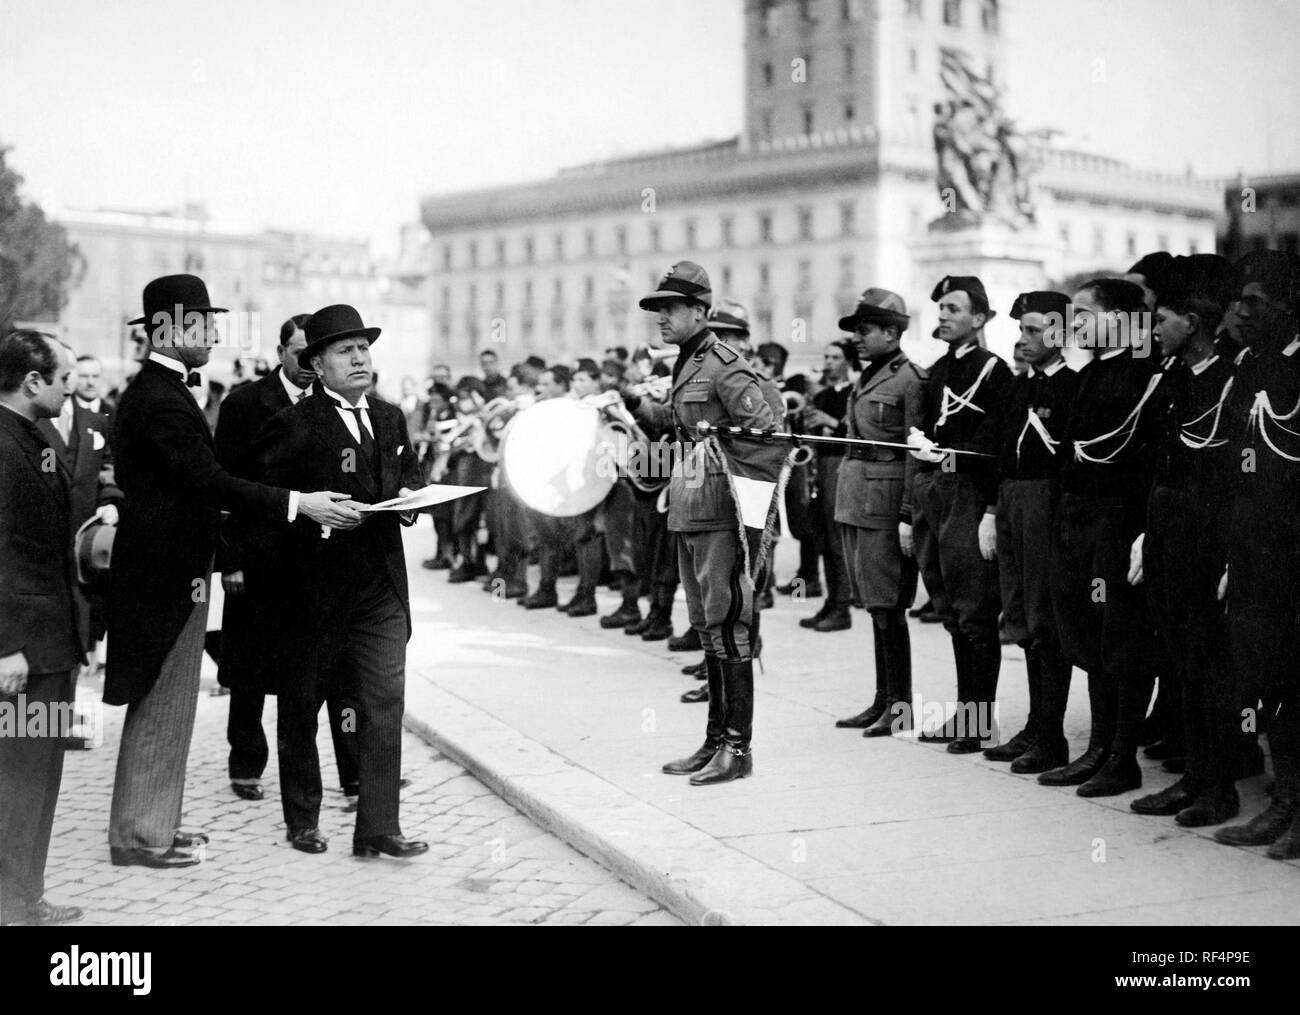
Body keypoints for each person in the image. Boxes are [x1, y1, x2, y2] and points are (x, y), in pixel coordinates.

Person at [105, 275, 358, 869]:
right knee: (161, 701)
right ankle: (140, 836)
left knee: (171, 703)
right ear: (173, 328)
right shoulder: (159, 398)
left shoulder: (164, 390)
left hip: (173, 570)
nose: (216, 333)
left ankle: (154, 821)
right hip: (163, 575)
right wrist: (298, 502)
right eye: (206, 322)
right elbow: (209, 482)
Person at [255, 304, 428, 859]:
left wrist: (408, 504)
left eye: (364, 349)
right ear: (317, 366)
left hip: (380, 587)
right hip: (314, 588)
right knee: (303, 704)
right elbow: (264, 506)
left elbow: (410, 478)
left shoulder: (391, 417)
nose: (359, 359)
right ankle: (302, 818)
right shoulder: (293, 425)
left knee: (384, 701)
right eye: (345, 351)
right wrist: (309, 512)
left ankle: (379, 826)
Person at [627, 263, 785, 785]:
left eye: (669, 309)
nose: (660, 319)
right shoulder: (687, 364)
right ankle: (715, 739)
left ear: (700, 310)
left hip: (721, 511)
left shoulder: (724, 364)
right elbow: (677, 431)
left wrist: (725, 460)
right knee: (704, 624)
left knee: (728, 620)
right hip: (689, 508)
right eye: (656, 311)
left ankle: (738, 749)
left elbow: (768, 436)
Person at [213, 313, 360, 804]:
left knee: (334, 669)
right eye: (298, 354)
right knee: (250, 665)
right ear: (281, 353)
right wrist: (229, 560)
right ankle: (247, 764)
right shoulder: (244, 405)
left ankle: (353, 772)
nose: (306, 365)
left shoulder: (331, 405)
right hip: (258, 557)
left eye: (312, 355)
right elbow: (226, 486)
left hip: (318, 562)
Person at [1130, 256, 1241, 825]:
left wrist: (1230, 554)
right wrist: (1148, 533)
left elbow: (1238, 479)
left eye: (1161, 319)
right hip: (1168, 525)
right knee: (1179, 658)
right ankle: (1194, 778)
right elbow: (1160, 461)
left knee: (1207, 661)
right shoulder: (1169, 379)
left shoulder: (1233, 381)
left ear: (1192, 324)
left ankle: (1218, 786)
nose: (1151, 329)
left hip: (1207, 534)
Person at [1039, 278, 1161, 797]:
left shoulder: (1142, 376)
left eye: (1085, 314)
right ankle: (1098, 748)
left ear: (1122, 318)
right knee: (1087, 635)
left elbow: (1148, 463)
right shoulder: (1089, 376)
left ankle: (1122, 756)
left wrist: (1141, 533)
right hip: (1079, 518)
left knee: (1122, 638)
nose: (1075, 325)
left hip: (1117, 521)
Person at [1215, 251, 1300, 856]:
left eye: (1255, 301)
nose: (1241, 313)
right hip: (1254, 550)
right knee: (1267, 678)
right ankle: (1286, 803)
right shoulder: (1252, 367)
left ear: (1288, 304)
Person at [0, 331, 86, 925]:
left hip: (47, 647)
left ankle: (24, 893)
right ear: (33, 381)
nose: (70, 391)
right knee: (20, 778)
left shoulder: (32, 436)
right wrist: (6, 647)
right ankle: (14, 902)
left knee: (38, 774)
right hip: (24, 653)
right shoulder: (5, 446)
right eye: (63, 380)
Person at [908, 276, 1012, 753]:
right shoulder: (935, 372)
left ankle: (979, 720)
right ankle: (964, 713)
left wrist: (990, 510)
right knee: (949, 608)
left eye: (953, 308)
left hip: (969, 497)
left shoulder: (994, 372)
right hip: (935, 496)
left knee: (974, 611)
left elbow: (995, 448)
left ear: (980, 318)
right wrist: (911, 511)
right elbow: (921, 442)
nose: (943, 316)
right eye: (940, 309)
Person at [984, 292, 1078, 773]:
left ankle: (1051, 735)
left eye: (1034, 330)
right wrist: (992, 510)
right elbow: (1004, 452)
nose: (1023, 339)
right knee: (1019, 614)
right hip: (1014, 499)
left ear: (1060, 334)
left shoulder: (1071, 388)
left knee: (1045, 620)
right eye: (1021, 330)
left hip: (1046, 502)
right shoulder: (1018, 389)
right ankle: (1035, 727)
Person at [831, 292, 925, 736]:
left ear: (892, 332)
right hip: (858, 501)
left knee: (890, 606)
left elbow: (915, 454)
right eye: (855, 331)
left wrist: (908, 513)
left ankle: (900, 705)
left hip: (886, 505)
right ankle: (882, 699)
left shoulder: (910, 380)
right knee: (874, 606)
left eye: (864, 330)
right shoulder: (869, 376)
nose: (857, 339)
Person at [36, 349, 122, 749]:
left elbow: (107, 469)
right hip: (42, 546)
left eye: (82, 374)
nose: (76, 380)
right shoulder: (35, 421)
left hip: (82, 548)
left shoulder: (94, 422)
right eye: (70, 373)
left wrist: (109, 499)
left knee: (78, 635)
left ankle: (63, 718)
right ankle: (38, 722)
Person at [797, 339, 858, 633]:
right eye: (826, 356)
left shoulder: (854, 394)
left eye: (834, 357)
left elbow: (856, 433)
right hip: (820, 466)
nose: (828, 362)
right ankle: (831, 601)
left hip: (841, 466)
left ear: (847, 361)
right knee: (821, 538)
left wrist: (829, 422)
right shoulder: (820, 396)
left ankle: (842, 607)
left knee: (837, 542)